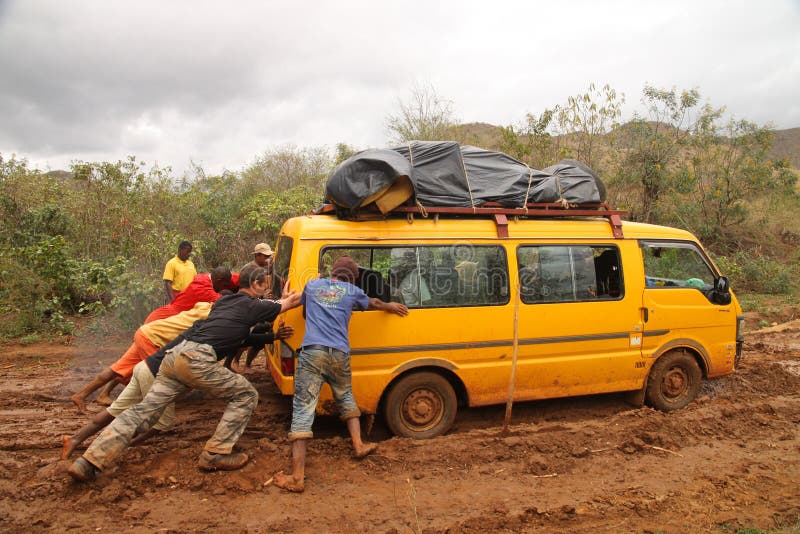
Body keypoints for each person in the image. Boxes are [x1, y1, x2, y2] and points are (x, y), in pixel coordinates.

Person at [67, 264, 301, 482]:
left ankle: (89, 461)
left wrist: (274, 325)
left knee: (142, 411)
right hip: (197, 359)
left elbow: (238, 334)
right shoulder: (253, 306)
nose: (267, 287)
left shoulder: (223, 304)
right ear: (258, 284)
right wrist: (319, 287)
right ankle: (215, 454)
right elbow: (291, 303)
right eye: (265, 284)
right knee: (247, 395)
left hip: (174, 357)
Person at [61, 319, 294, 460]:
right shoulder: (220, 329)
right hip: (157, 373)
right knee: (157, 422)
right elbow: (245, 339)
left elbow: (246, 337)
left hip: (146, 366)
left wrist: (271, 333)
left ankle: (74, 439)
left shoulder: (203, 323)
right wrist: (273, 333)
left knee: (117, 410)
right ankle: (123, 446)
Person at [273, 256, 408, 493]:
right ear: (353, 276)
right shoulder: (353, 291)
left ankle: (297, 477)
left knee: (304, 409)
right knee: (345, 396)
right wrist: (390, 306)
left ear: (332, 271)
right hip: (339, 354)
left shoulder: (313, 285)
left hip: (313, 352)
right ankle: (358, 445)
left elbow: (303, 310)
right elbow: (375, 302)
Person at [69, 302, 213, 412]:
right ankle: (143, 405)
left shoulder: (204, 305)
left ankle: (84, 395)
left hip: (146, 331)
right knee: (161, 375)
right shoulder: (212, 318)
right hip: (155, 340)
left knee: (118, 368)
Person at [145, 266, 238, 324]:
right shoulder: (203, 290)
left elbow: (236, 278)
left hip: (170, 317)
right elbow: (228, 303)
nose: (224, 288)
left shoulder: (206, 278)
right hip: (163, 319)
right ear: (219, 281)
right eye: (224, 285)